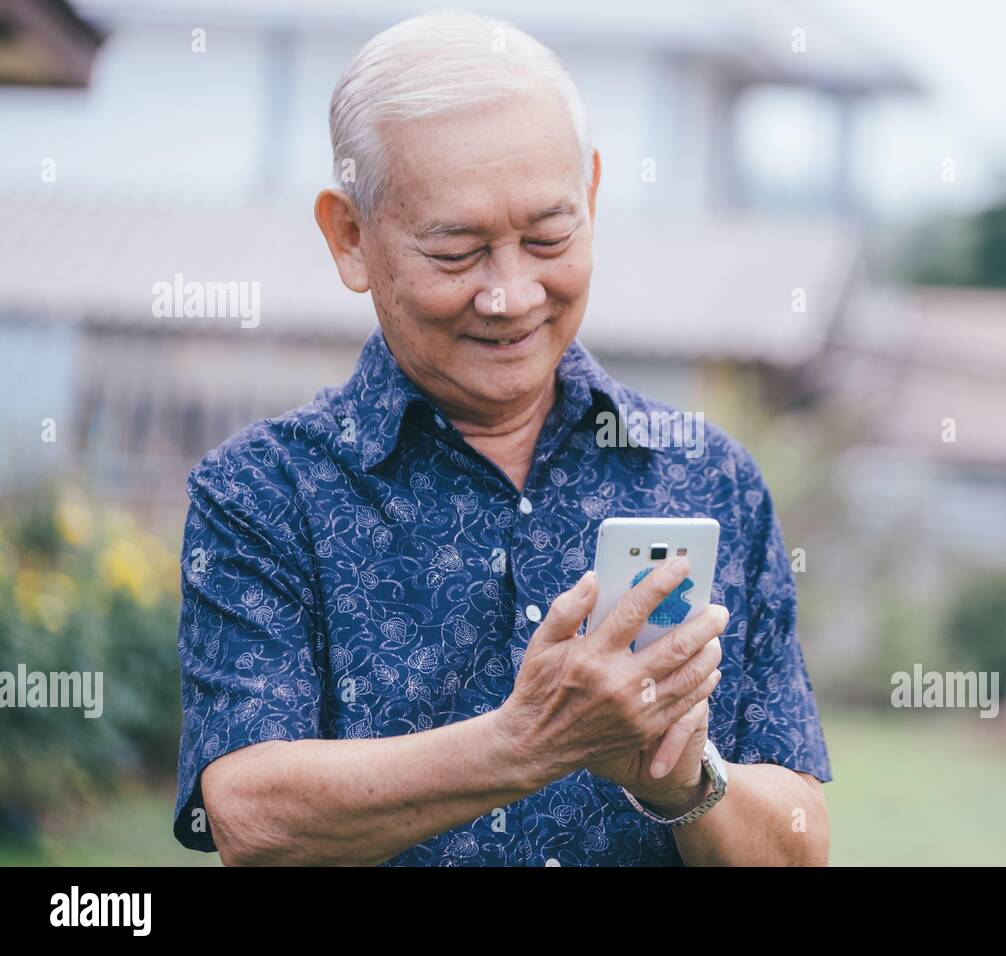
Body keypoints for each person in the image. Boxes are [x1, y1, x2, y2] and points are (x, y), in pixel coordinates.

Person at [173, 9, 831, 866]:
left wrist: (683, 777)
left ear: (592, 196)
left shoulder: (708, 479)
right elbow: (252, 819)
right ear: (350, 237)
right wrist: (527, 742)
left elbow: (799, 843)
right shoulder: (263, 494)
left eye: (548, 237)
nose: (512, 294)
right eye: (457, 251)